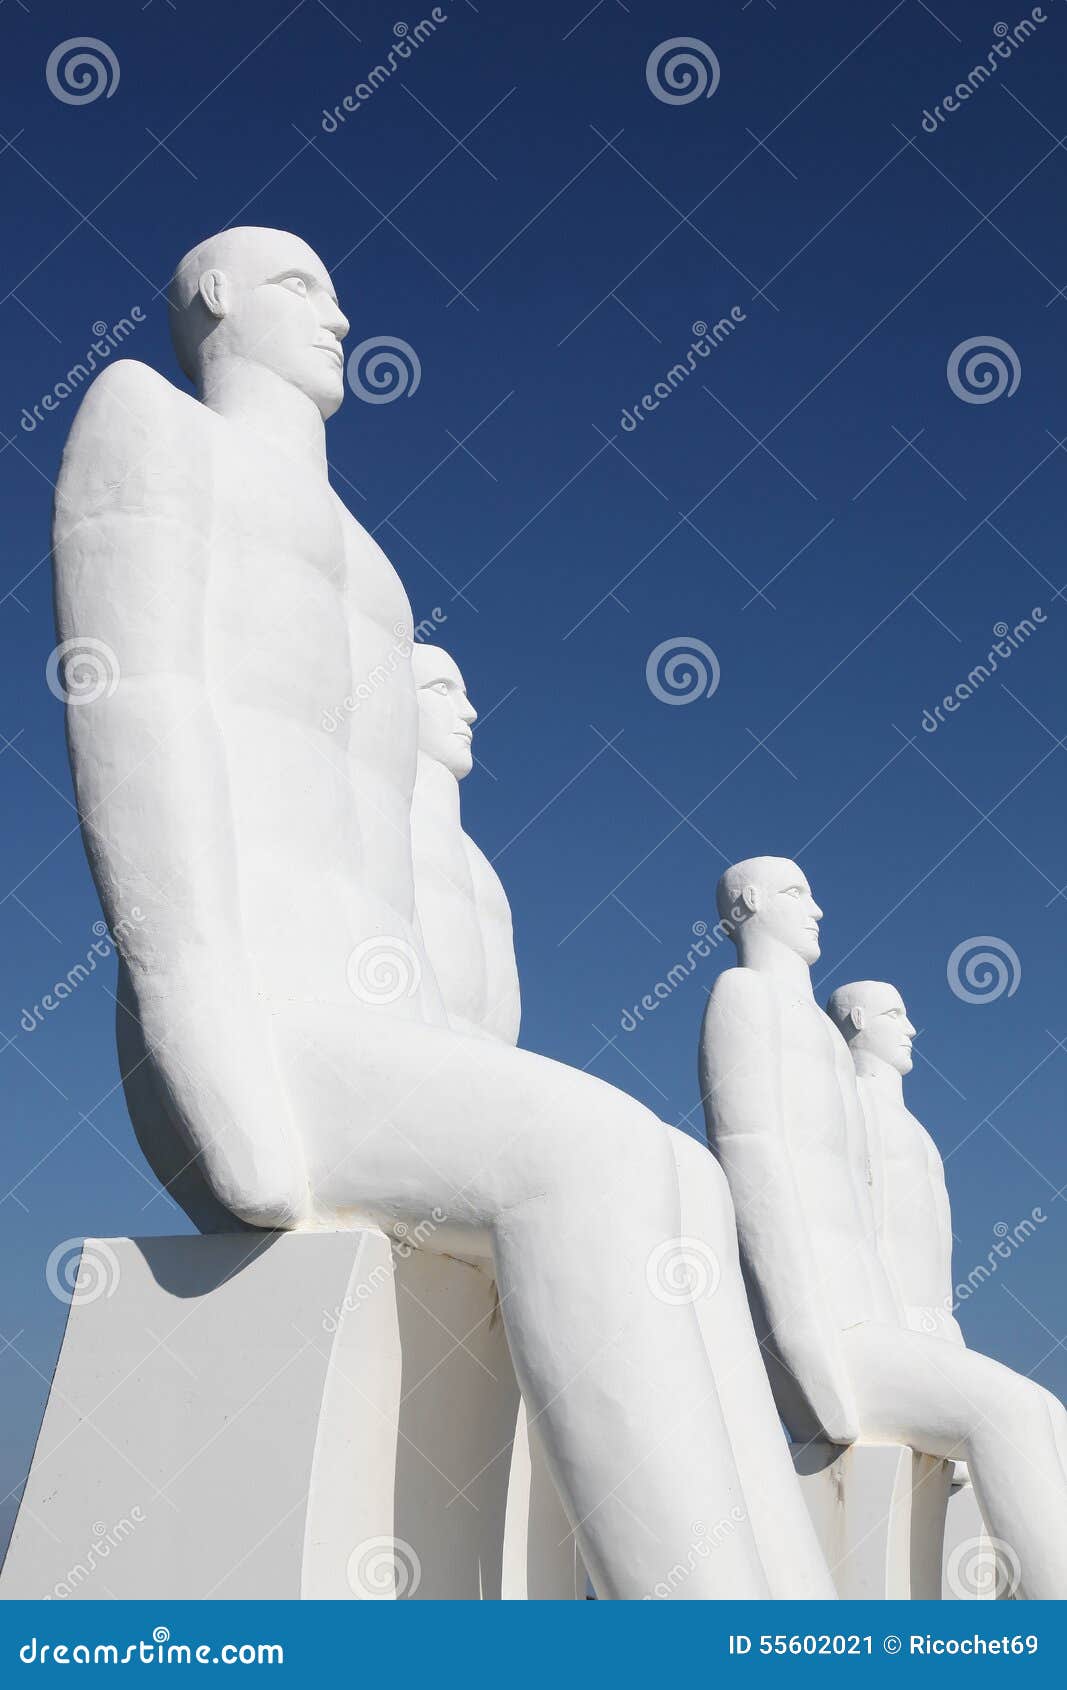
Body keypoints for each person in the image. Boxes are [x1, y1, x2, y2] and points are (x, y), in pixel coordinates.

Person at [54, 225, 768, 1599]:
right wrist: (203, 1034)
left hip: (376, 1034)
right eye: (298, 285)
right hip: (253, 1022)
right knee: (594, 1155)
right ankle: (693, 1629)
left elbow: (388, 862)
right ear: (211, 300)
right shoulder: (149, 427)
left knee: (681, 1178)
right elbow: (135, 719)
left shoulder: (374, 579)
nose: (337, 316)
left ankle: (783, 1621)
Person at [699, 856, 1067, 1599]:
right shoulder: (743, 1000)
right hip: (830, 1333)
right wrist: (803, 1349)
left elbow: (875, 1229)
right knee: (1015, 1412)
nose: (817, 909)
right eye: (796, 892)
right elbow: (752, 1167)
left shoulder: (825, 1049)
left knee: (1043, 1415)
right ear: (747, 903)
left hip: (876, 1322)